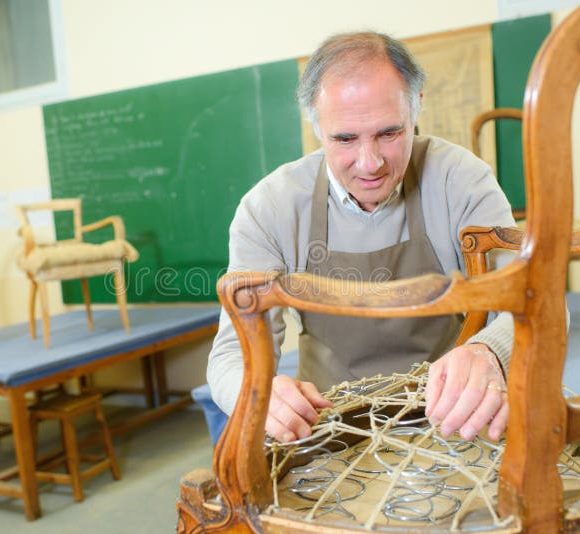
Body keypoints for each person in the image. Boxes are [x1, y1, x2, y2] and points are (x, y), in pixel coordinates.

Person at [207, 31, 515, 445]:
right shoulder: (270, 208)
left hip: (450, 416)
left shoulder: (460, 180)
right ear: (315, 124)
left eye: (389, 133)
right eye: (345, 139)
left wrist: (491, 350)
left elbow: (536, 302)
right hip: (329, 425)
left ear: (417, 104)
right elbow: (230, 355)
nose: (370, 164)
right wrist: (260, 394)